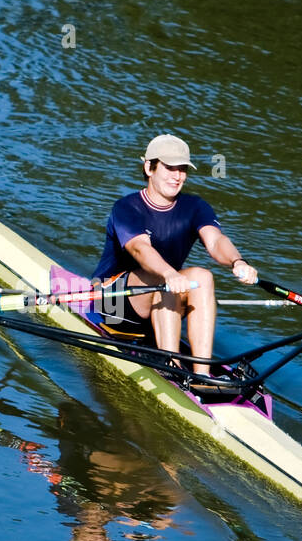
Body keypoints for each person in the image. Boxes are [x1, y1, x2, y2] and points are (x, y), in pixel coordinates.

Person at [91, 135, 258, 377]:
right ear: (149, 167)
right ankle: (172, 368)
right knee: (163, 278)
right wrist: (169, 273)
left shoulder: (194, 207)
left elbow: (216, 241)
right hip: (113, 303)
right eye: (169, 168)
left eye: (182, 169)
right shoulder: (126, 208)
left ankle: (202, 375)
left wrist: (238, 261)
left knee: (202, 277)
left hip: (158, 299)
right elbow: (140, 248)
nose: (177, 176)